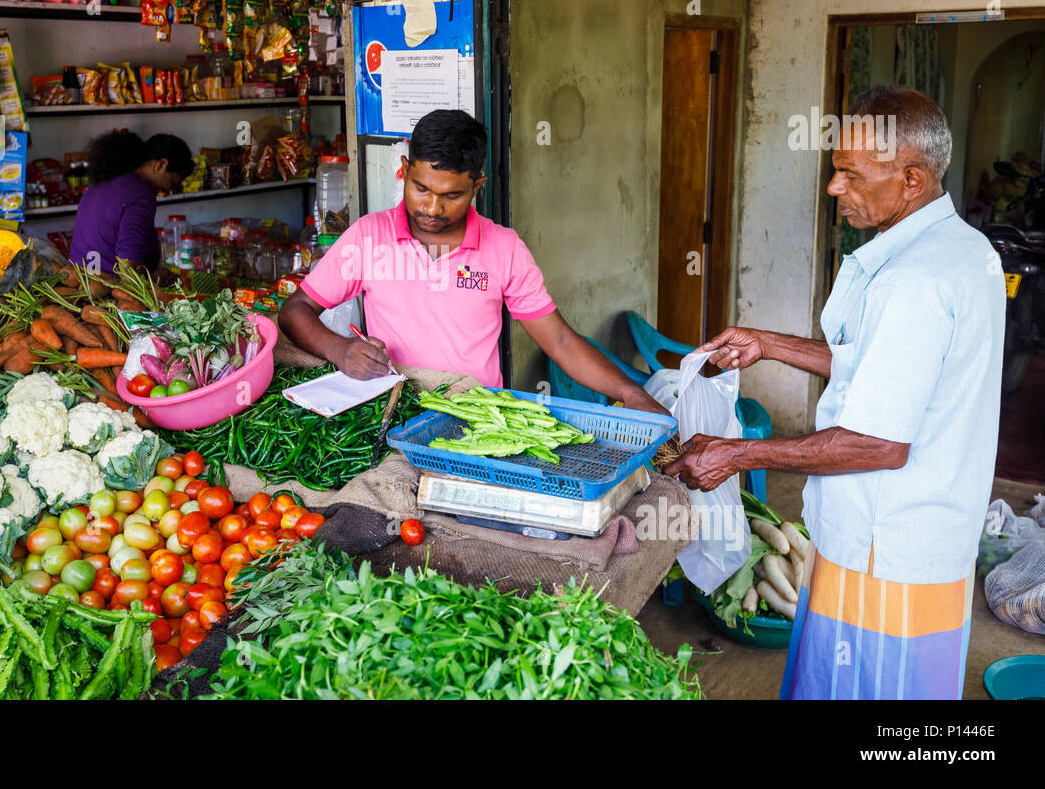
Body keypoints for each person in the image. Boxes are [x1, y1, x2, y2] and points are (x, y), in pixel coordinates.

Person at [664, 86, 1004, 700]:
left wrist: (735, 455)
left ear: (910, 178)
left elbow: (878, 444)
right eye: (834, 170)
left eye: (850, 173)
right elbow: (883, 367)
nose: (833, 188)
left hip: (889, 548)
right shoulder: (957, 248)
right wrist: (770, 343)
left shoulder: (916, 281)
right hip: (909, 539)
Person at [279, 109, 665, 414]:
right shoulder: (368, 237)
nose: (431, 207)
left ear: (477, 187)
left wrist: (631, 391)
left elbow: (561, 341)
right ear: (404, 169)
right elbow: (296, 310)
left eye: (451, 195)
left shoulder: (504, 249)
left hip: (477, 419)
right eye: (420, 188)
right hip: (393, 415)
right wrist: (339, 350)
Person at [69, 130, 193, 272]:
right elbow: (128, 264)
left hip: (78, 277)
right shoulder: (140, 194)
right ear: (161, 165)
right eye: (173, 182)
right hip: (107, 284)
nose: (170, 190)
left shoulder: (105, 181)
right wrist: (150, 280)